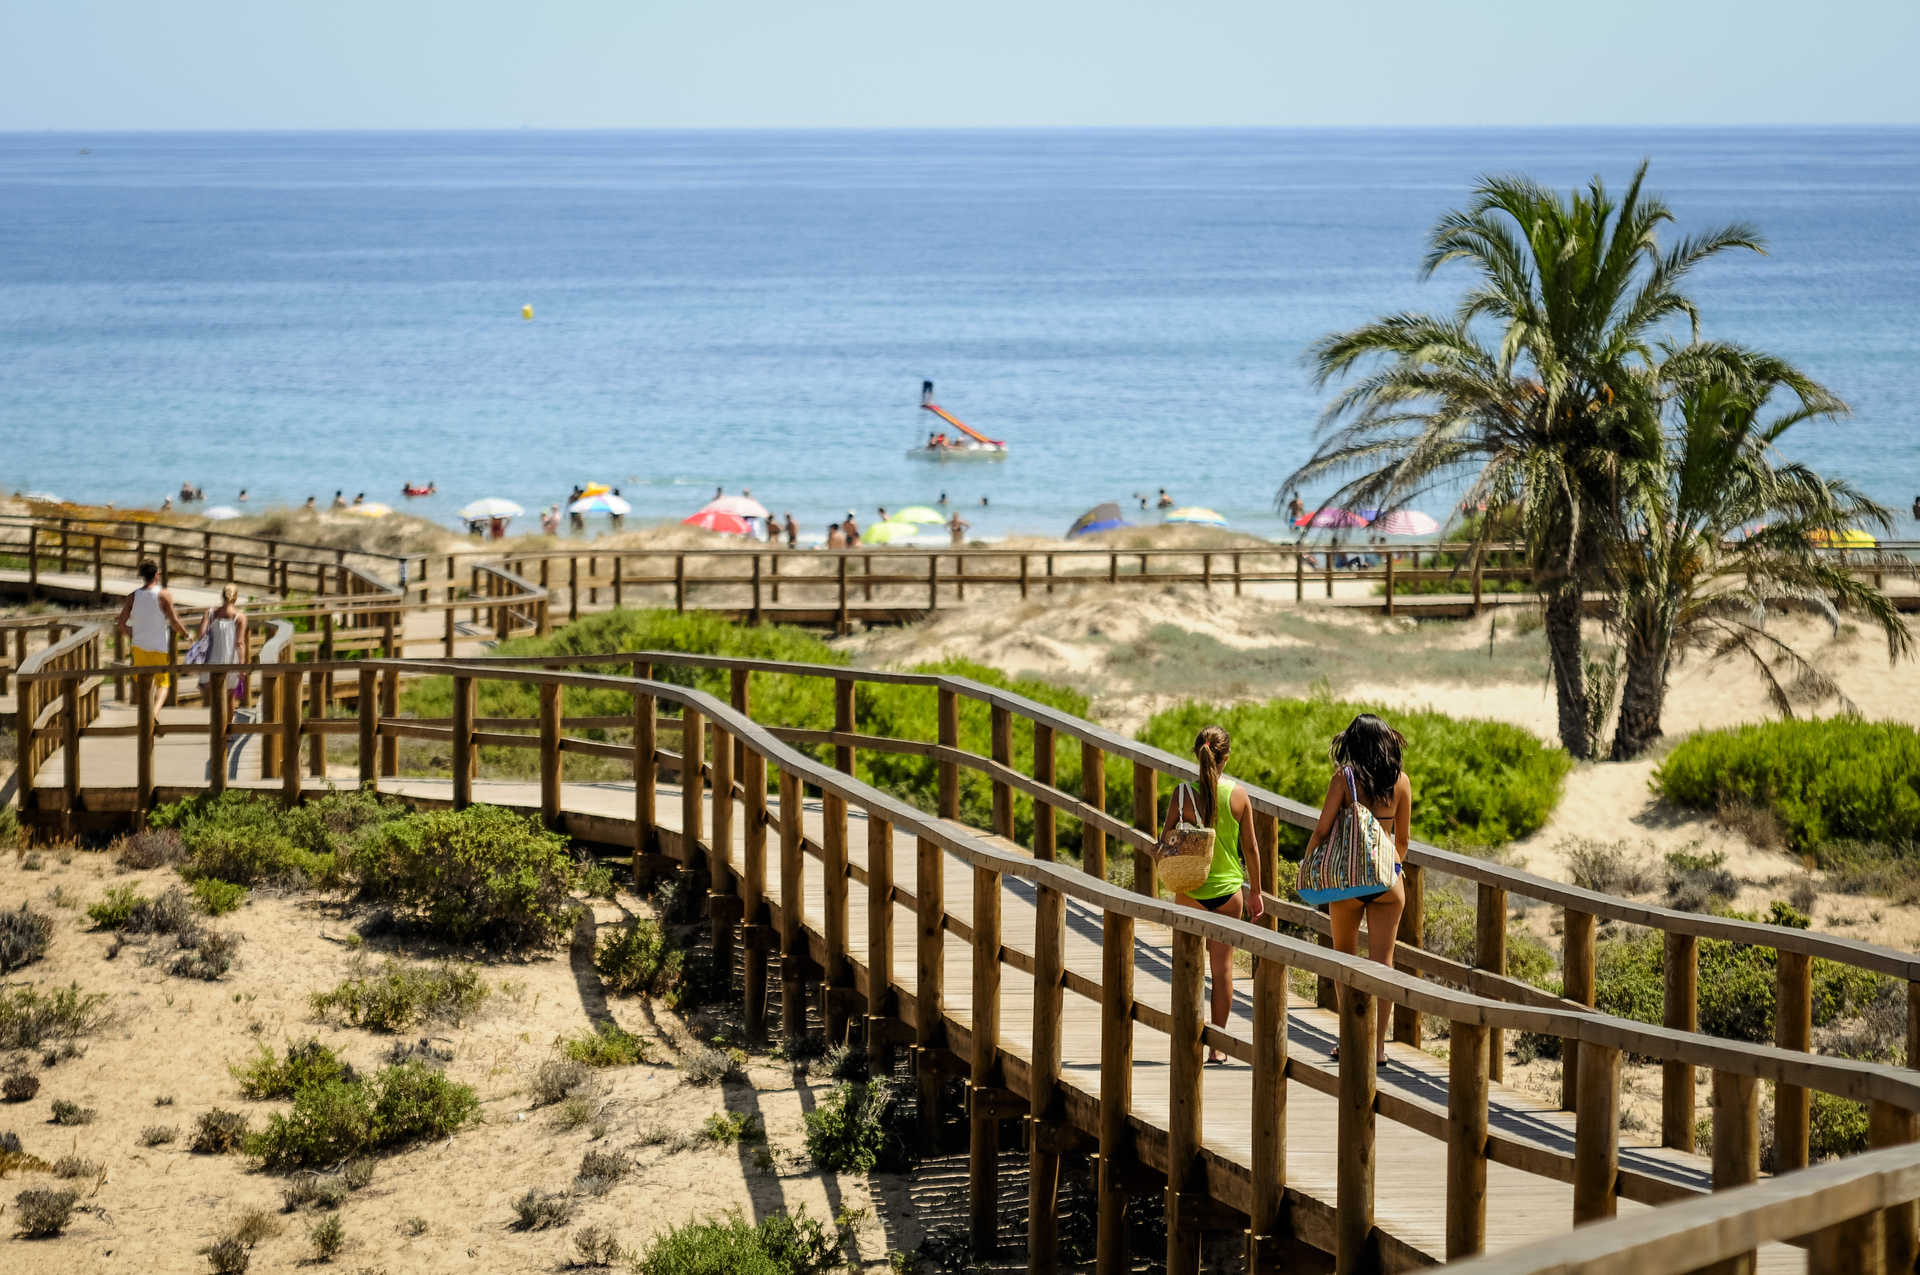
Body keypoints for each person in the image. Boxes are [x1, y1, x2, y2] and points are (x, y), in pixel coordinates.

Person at [1304, 714, 1412, 1066]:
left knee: (1345, 958)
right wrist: (1387, 869)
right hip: (1387, 885)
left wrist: (1310, 866)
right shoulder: (1401, 782)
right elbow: (1403, 840)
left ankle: (1350, 1038)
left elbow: (1322, 831)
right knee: (1384, 963)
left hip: (1348, 882)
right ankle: (1378, 1047)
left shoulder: (1344, 778)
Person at [1158, 725, 1264, 1064]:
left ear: (1197, 753)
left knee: (1189, 967)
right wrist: (1256, 893)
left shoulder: (1181, 794)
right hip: (1229, 894)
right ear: (1226, 758)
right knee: (1223, 971)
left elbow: (1165, 842)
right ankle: (1217, 1047)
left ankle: (1189, 1037)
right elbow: (1251, 848)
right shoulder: (1238, 795)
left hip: (1190, 889)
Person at [118, 560, 188, 717]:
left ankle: (147, 717)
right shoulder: (163, 595)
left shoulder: (132, 597)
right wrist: (186, 634)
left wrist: (133, 632)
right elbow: (174, 621)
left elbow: (121, 624)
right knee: (163, 683)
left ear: (142, 576)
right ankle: (154, 713)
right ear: (157, 575)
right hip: (158, 645)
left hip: (139, 646)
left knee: (144, 683)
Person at [196, 583, 249, 728]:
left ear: (222, 596)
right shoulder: (240, 617)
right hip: (231, 659)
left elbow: (201, 635)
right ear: (236, 598)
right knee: (230, 695)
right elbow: (239, 643)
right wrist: (242, 666)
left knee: (215, 695)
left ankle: (216, 724)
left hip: (213, 657)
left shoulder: (210, 613)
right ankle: (228, 728)